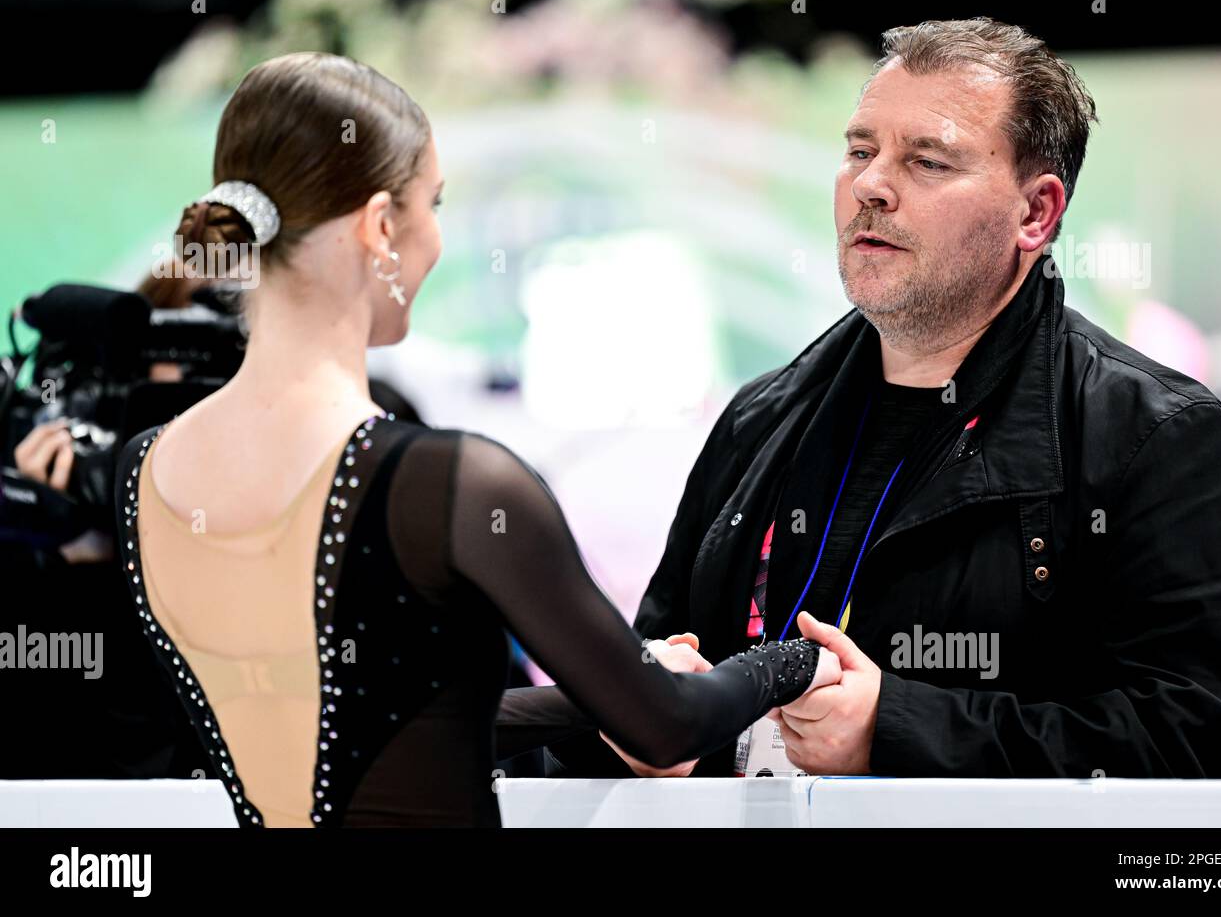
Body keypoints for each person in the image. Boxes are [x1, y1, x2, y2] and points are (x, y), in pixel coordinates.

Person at [111, 51, 841, 828]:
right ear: (380, 227)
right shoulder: (453, 485)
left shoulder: (143, 471)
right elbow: (666, 725)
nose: (437, 240)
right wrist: (793, 662)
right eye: (435, 204)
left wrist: (606, 687)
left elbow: (348, 712)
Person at [548, 16, 1221, 780]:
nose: (871, 185)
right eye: (860, 151)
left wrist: (895, 729)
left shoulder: (1153, 435)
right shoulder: (759, 419)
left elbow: (1196, 744)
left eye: (927, 162)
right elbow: (655, 670)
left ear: (1036, 213)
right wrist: (643, 720)